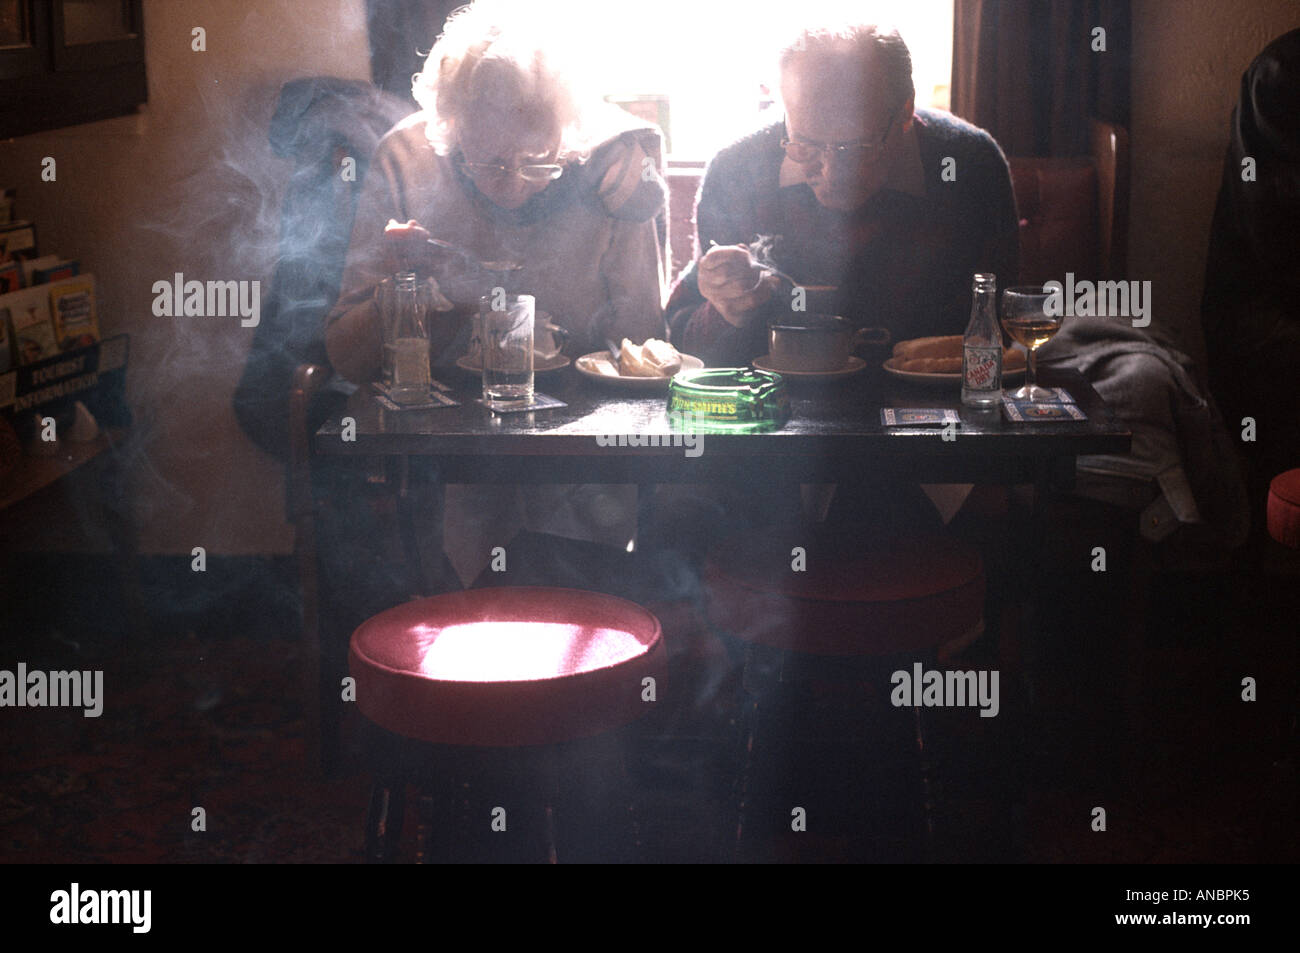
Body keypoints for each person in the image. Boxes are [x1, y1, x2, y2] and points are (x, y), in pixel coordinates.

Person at [324, 0, 668, 589]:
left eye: (536, 162)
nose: (511, 182)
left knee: (575, 598)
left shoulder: (610, 169)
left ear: (568, 133)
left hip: (579, 437)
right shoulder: (406, 159)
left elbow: (645, 344)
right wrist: (406, 293)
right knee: (469, 603)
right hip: (448, 438)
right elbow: (345, 358)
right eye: (486, 161)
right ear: (449, 128)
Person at [666, 22, 1019, 365]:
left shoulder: (969, 164)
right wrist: (727, 312)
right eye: (804, 144)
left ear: (906, 111)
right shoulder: (738, 170)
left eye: (856, 147)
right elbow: (686, 343)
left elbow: (1001, 331)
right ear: (784, 110)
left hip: (936, 412)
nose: (833, 174)